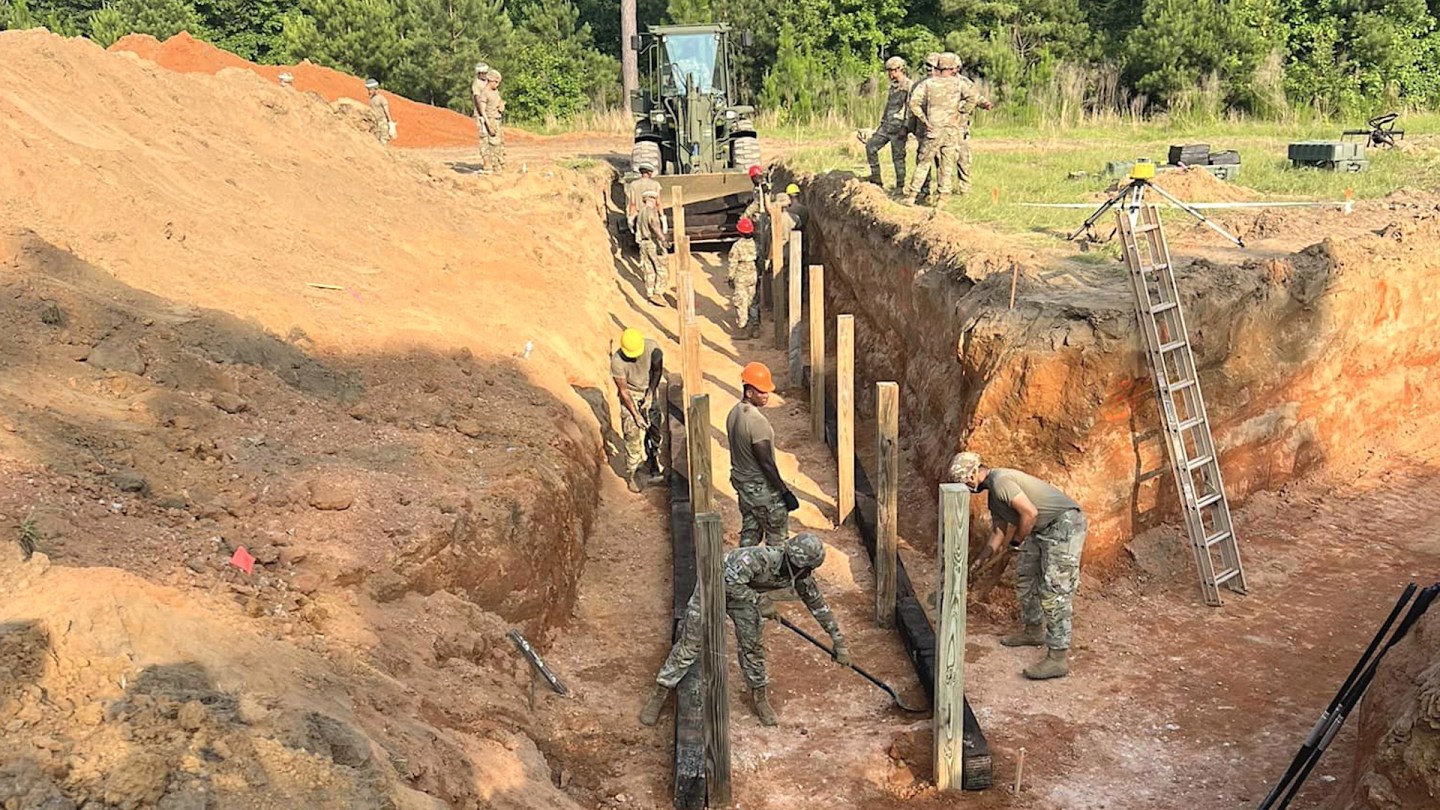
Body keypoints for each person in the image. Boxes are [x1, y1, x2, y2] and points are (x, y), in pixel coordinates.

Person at [640, 533, 848, 727]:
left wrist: (838, 641)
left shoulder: (800, 577)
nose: (810, 574)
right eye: (808, 569)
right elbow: (728, 581)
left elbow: (819, 606)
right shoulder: (757, 559)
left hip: (743, 597)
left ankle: (759, 696)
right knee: (691, 644)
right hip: (712, 588)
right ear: (797, 563)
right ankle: (661, 690)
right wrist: (760, 601)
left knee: (752, 647)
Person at [949, 452, 1087, 680]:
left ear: (974, 473)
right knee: (1024, 579)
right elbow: (997, 533)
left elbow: (1029, 513)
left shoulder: (1001, 480)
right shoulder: (993, 496)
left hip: (1063, 524)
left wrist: (1016, 543)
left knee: (1055, 591)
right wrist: (979, 561)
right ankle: (1033, 630)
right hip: (1040, 529)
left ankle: (1057, 658)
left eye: (966, 482)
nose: (967, 487)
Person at [727, 362, 798, 548]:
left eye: (767, 391)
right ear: (749, 392)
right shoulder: (757, 422)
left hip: (743, 486)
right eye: (761, 392)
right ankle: (777, 575)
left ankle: (743, 568)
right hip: (760, 489)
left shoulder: (734, 413)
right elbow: (766, 462)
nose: (766, 395)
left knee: (750, 530)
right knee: (777, 539)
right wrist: (784, 492)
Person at [611, 329, 666, 493]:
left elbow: (657, 371)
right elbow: (624, 391)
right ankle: (633, 473)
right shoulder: (617, 362)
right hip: (631, 394)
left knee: (655, 429)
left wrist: (650, 394)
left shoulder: (653, 350)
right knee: (631, 434)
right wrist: (635, 415)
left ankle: (652, 460)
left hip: (648, 390)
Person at [865, 56, 912, 189]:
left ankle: (900, 187)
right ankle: (876, 179)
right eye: (889, 71)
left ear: (900, 69)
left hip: (899, 128)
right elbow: (889, 106)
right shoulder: (893, 86)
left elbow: (910, 108)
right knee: (870, 146)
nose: (890, 74)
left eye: (892, 70)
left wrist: (905, 127)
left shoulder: (909, 86)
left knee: (897, 158)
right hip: (886, 126)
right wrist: (882, 122)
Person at [949, 56, 992, 195]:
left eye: (953, 67)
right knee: (944, 159)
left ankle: (964, 188)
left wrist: (984, 103)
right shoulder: (940, 82)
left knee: (963, 158)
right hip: (945, 126)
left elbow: (975, 96)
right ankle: (944, 187)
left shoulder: (964, 82)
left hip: (961, 126)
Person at [904, 54, 940, 201]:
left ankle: (941, 193)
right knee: (923, 160)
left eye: (934, 66)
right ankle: (924, 191)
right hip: (923, 130)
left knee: (942, 162)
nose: (930, 69)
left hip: (942, 130)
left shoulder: (949, 85)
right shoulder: (919, 85)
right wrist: (908, 127)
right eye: (927, 66)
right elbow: (911, 108)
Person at [726, 218, 761, 338]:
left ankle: (744, 328)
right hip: (753, 274)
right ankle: (755, 327)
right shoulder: (756, 244)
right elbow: (760, 259)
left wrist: (730, 277)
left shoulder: (737, 246)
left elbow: (732, 263)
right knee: (753, 301)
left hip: (741, 276)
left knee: (741, 302)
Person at [635, 189, 670, 305]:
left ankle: (650, 293)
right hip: (652, 243)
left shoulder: (641, 212)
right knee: (662, 269)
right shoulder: (651, 211)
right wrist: (663, 238)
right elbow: (654, 224)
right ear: (652, 199)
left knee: (649, 270)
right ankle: (658, 293)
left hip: (643, 244)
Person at [477, 69, 506, 173]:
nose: (497, 85)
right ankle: (493, 166)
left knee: (500, 143)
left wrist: (501, 105)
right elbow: (482, 110)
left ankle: (500, 163)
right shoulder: (484, 93)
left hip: (498, 118)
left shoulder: (496, 92)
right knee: (492, 144)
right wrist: (488, 125)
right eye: (496, 82)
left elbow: (498, 101)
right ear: (490, 80)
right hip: (490, 119)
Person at [627, 163, 662, 233]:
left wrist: (630, 218)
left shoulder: (633, 184)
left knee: (641, 236)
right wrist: (662, 216)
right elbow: (658, 203)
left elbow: (633, 203)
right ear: (650, 173)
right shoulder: (655, 184)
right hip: (653, 215)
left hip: (640, 216)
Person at [471, 62, 490, 160]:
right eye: (483, 73)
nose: (485, 75)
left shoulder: (487, 81)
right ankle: (486, 160)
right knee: (484, 137)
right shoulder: (477, 84)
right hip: (481, 113)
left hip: (490, 112)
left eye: (486, 72)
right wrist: (482, 114)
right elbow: (477, 99)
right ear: (479, 73)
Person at [365, 79, 393, 145]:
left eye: (370, 90)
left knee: (383, 142)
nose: (369, 92)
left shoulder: (382, 98)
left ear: (375, 89)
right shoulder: (371, 100)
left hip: (382, 123)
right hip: (375, 124)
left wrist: (390, 123)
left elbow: (386, 111)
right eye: (368, 90)